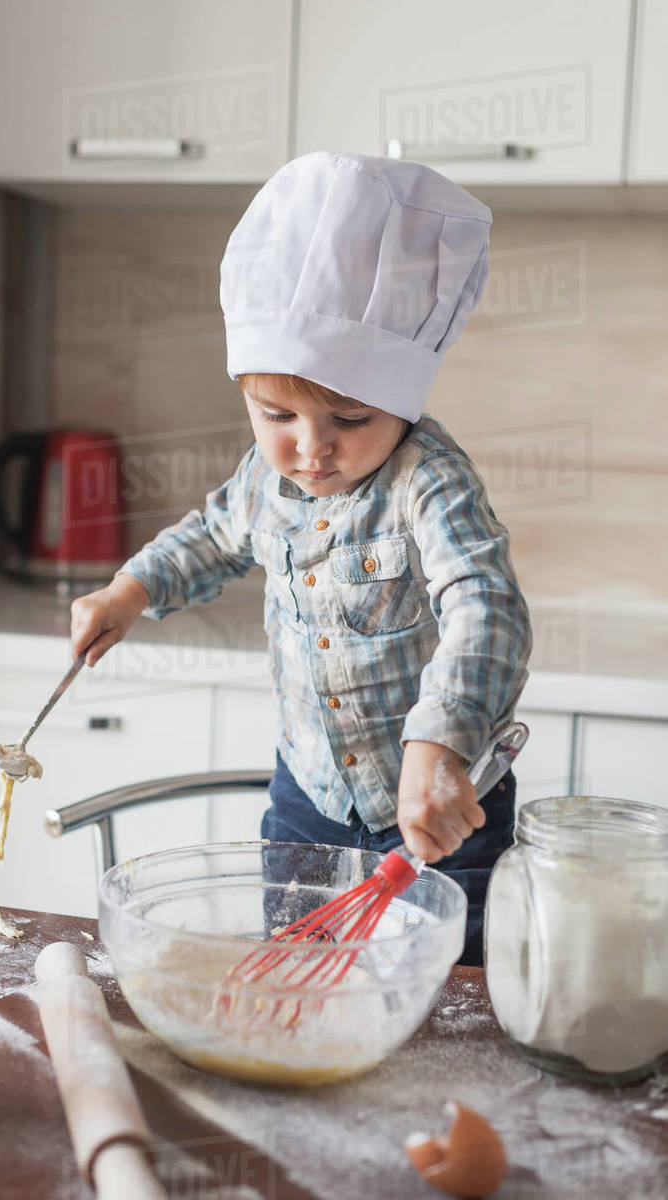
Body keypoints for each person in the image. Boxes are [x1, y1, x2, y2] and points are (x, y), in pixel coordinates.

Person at [70, 151, 532, 965]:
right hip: (307, 800)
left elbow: (485, 608)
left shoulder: (429, 480)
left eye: (350, 419)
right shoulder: (267, 475)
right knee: (298, 979)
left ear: (401, 402)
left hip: (437, 805)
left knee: (446, 1007)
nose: (311, 450)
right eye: (276, 413)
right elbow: (214, 534)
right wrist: (129, 591)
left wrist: (441, 744)